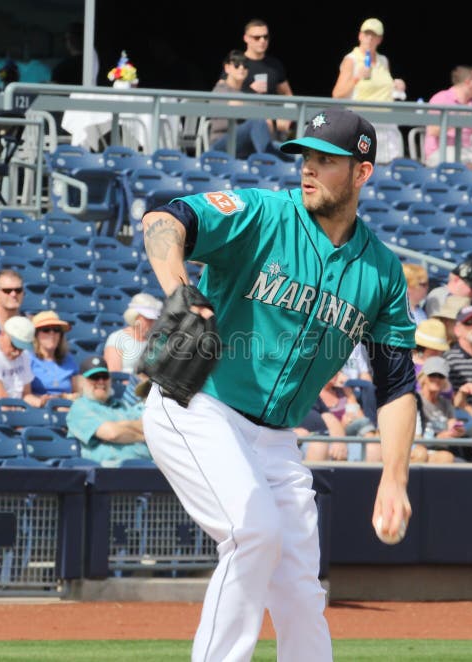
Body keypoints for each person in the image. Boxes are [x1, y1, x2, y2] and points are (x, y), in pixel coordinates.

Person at [140, 106, 417, 661]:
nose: (308, 169)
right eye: (305, 157)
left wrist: (394, 477)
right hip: (197, 404)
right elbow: (164, 221)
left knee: (298, 589)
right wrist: (178, 286)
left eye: (326, 160)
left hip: (276, 440)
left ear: (362, 173)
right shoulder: (262, 214)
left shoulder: (381, 272)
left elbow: (395, 382)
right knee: (253, 532)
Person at [331, 18, 406, 164]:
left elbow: (384, 87)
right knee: (363, 165)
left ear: (380, 39)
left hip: (386, 124)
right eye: (366, 34)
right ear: (360, 36)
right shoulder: (351, 60)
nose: (369, 38)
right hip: (363, 123)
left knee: (389, 167)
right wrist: (357, 78)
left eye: (374, 35)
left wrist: (396, 84)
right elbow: (337, 94)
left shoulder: (384, 61)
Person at [66, 355, 152, 466]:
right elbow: (112, 434)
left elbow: (148, 426)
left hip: (148, 467)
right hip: (110, 471)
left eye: (104, 376)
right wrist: (144, 437)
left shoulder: (123, 405)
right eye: (95, 377)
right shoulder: (79, 408)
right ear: (82, 382)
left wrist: (122, 425)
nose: (101, 381)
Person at [208, 50, 292, 161]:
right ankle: (268, 159)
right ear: (227, 68)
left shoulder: (245, 95)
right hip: (222, 142)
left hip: (247, 145)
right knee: (257, 122)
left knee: (289, 154)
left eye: (245, 65)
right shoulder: (221, 89)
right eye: (237, 64)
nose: (241, 68)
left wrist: (273, 123)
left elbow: (266, 121)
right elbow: (235, 105)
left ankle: (283, 162)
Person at [425, 65, 472, 170]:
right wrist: (456, 120)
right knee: (464, 164)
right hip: (440, 151)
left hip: (467, 151)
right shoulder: (440, 98)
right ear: (468, 82)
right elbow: (433, 130)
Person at [304, 371, 381, 462]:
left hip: (350, 428)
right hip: (328, 431)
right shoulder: (314, 395)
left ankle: (373, 447)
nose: (336, 374)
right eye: (333, 371)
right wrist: (341, 424)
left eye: (338, 371)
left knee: (364, 425)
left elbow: (359, 416)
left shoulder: (343, 391)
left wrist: (350, 395)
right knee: (365, 428)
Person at [240, 18, 294, 138]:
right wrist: (249, 91)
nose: (262, 41)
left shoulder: (274, 65)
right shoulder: (237, 63)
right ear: (246, 38)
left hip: (273, 125)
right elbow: (222, 92)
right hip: (242, 122)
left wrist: (287, 117)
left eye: (266, 37)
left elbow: (287, 95)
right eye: (257, 37)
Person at [417, 356, 471, 463]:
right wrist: (436, 439)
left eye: (441, 376)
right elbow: (413, 436)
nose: (437, 379)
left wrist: (457, 432)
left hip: (441, 449)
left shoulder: (446, 403)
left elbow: (452, 427)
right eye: (432, 375)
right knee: (445, 457)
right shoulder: (415, 400)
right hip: (420, 449)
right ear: (424, 377)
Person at [103, 292, 162, 374]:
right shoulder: (116, 338)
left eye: (154, 319)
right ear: (135, 316)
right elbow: (114, 374)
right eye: (148, 319)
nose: (152, 323)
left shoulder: (157, 341)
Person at [29, 311, 79, 400]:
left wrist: (66, 397)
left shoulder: (68, 359)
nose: (52, 334)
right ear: (36, 335)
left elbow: (78, 393)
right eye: (46, 330)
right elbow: (24, 395)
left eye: (56, 330)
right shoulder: (28, 359)